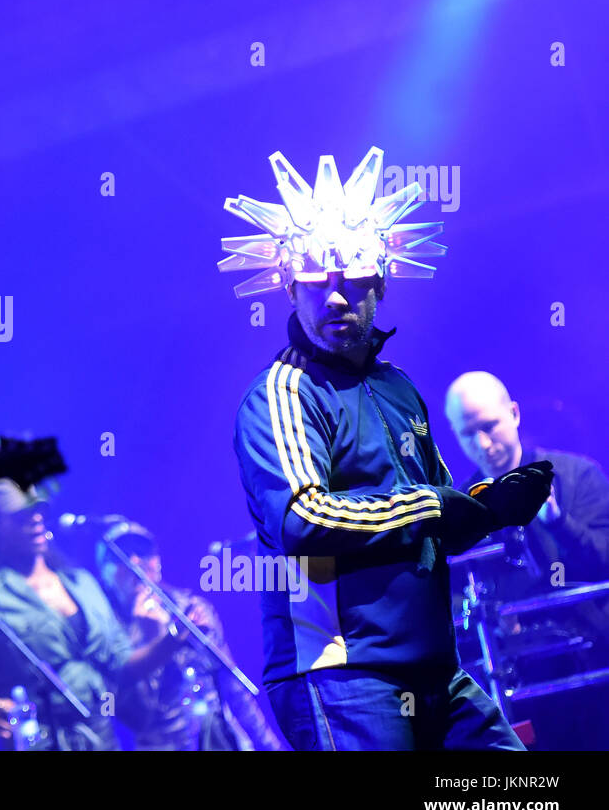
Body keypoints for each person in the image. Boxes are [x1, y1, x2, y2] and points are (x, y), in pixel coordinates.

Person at [221, 147, 553, 750]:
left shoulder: (397, 387)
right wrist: (432, 506)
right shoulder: (282, 394)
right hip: (342, 674)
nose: (336, 299)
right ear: (291, 288)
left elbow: (444, 508)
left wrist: (490, 504)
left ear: (380, 282)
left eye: (351, 280)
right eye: (317, 283)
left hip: (432, 669)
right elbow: (302, 517)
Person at [0, 480, 180, 750]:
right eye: (20, 514)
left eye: (39, 511)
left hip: (101, 738)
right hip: (40, 741)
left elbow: (123, 666)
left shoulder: (81, 582)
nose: (35, 519)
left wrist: (171, 641)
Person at [444, 370, 609, 747]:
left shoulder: (577, 477)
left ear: (515, 414)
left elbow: (605, 561)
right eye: (468, 434)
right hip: (521, 688)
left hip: (596, 670)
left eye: (490, 426)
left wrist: (558, 522)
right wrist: (489, 615)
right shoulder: (459, 510)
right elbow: (444, 600)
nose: (484, 445)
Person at [95, 521, 282, 750]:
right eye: (121, 556)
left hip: (219, 738)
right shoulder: (105, 632)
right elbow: (127, 712)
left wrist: (270, 746)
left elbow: (233, 687)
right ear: (103, 571)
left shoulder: (191, 608)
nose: (134, 562)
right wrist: (152, 639)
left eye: (143, 552)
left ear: (158, 561)